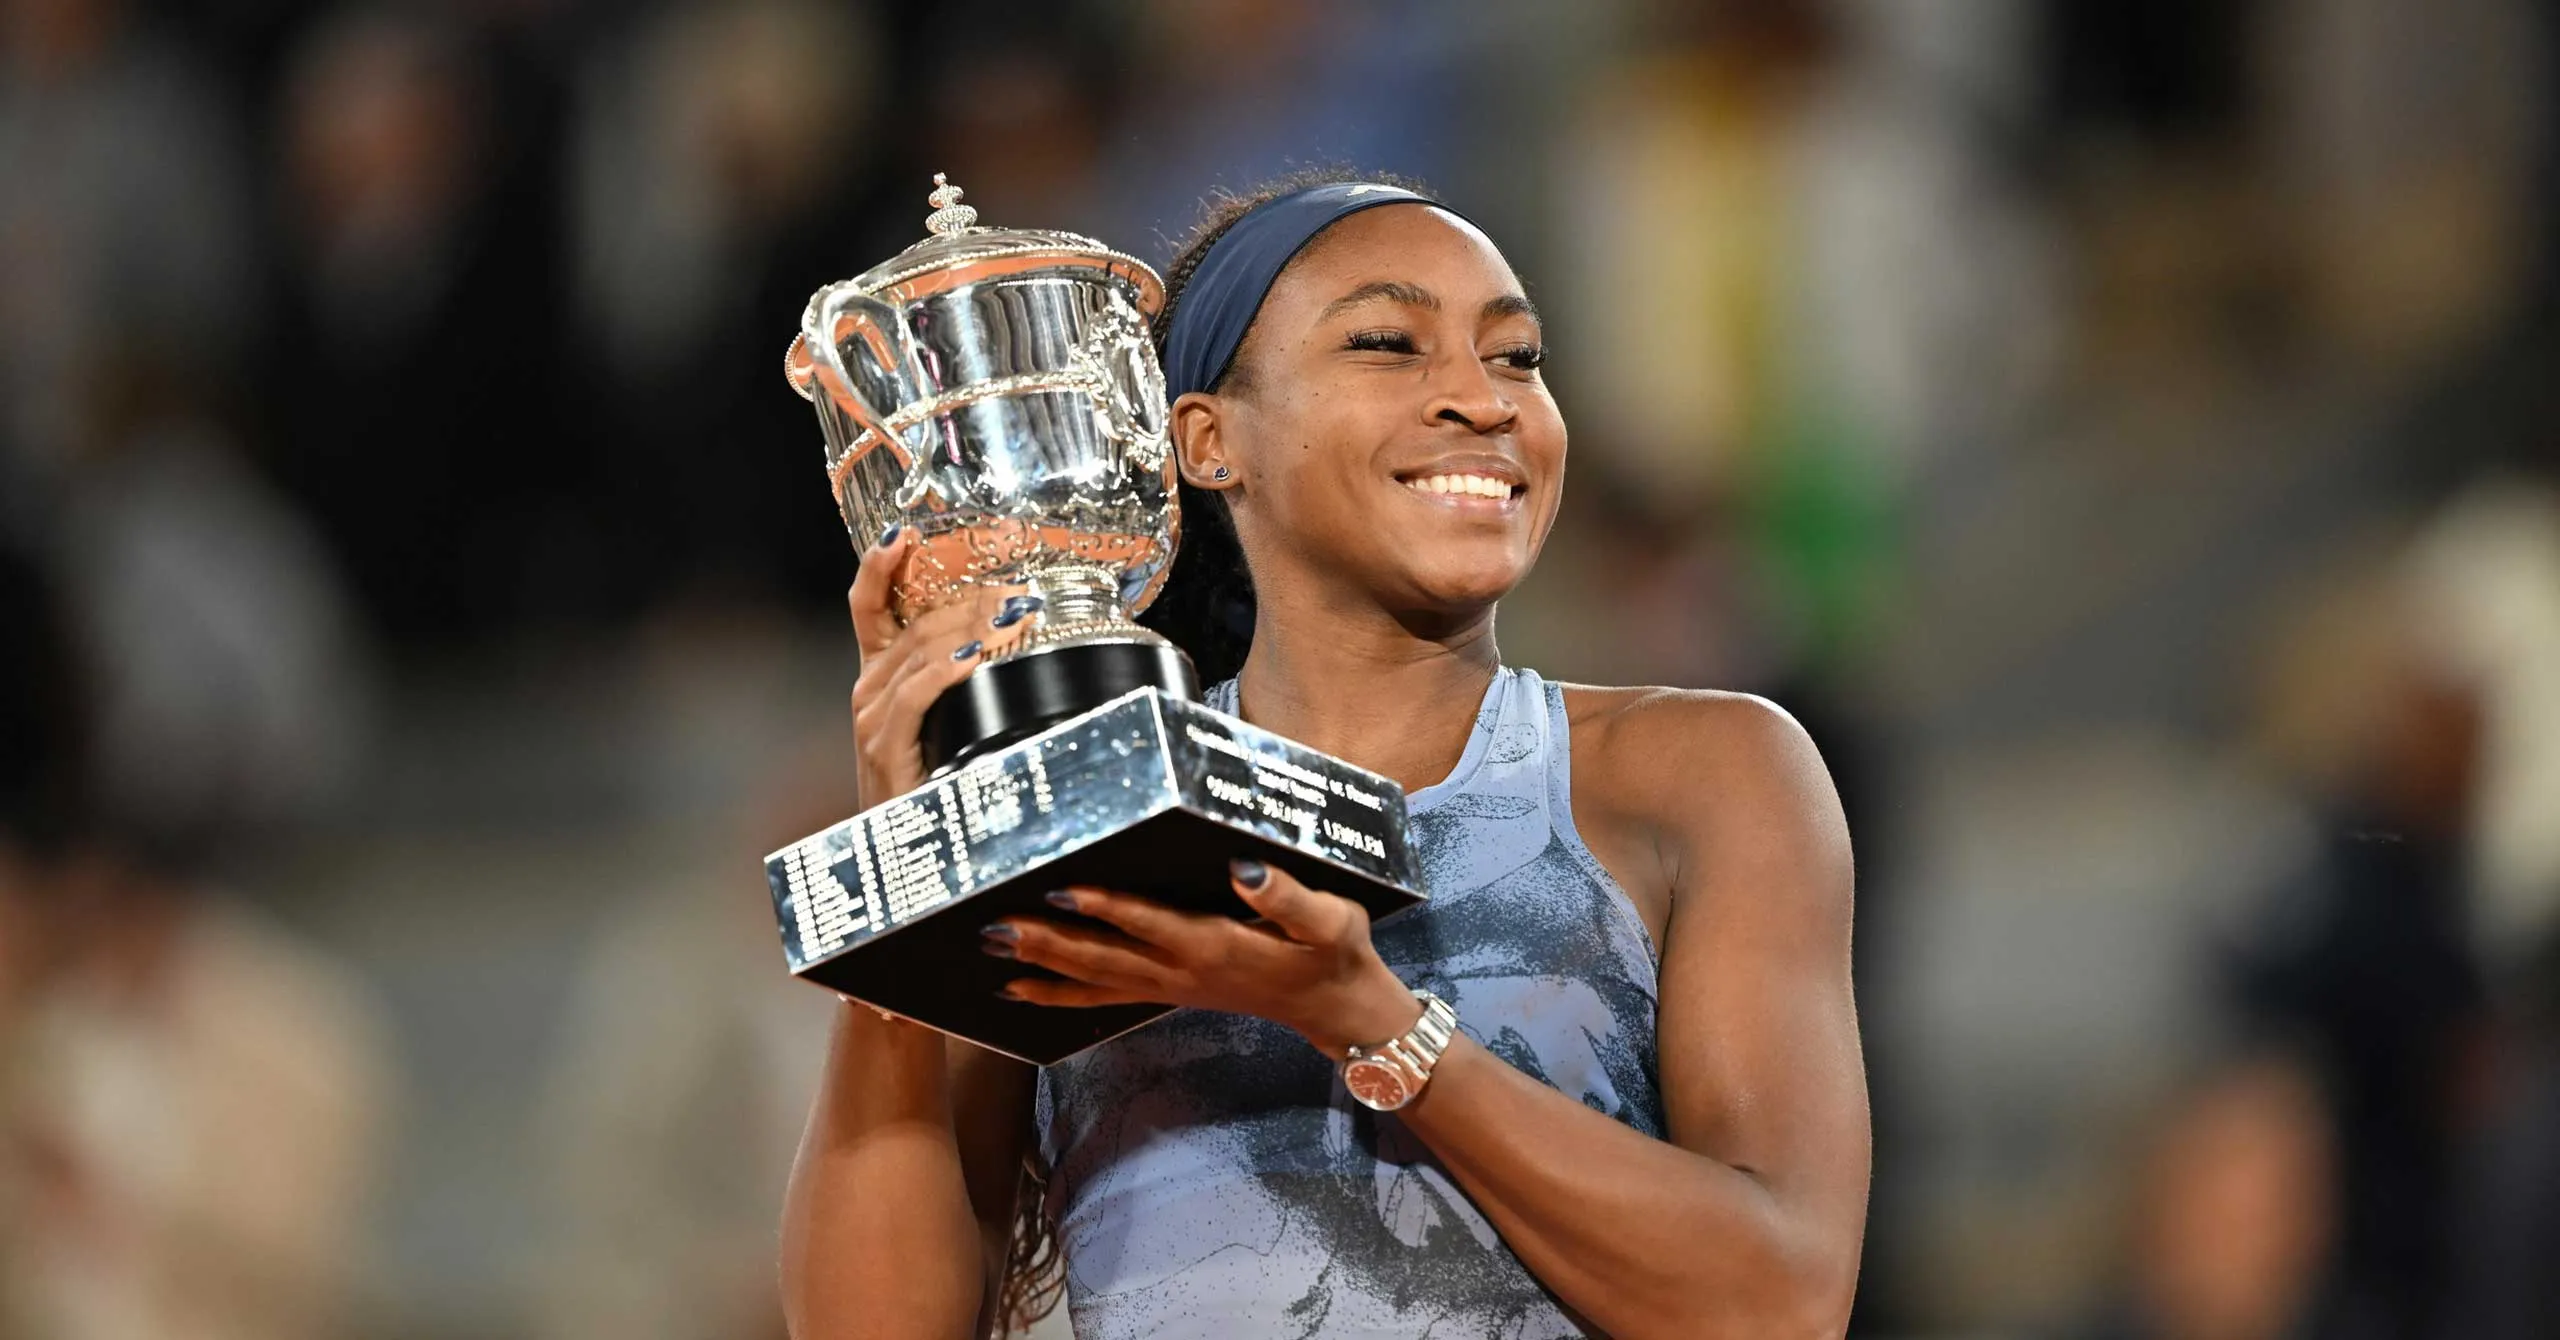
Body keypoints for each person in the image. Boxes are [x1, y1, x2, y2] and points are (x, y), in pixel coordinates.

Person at [779, 170, 1871, 1340]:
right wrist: (907, 889)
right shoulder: (1089, 805)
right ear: (1206, 441)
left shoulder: (1700, 771)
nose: (1480, 398)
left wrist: (1364, 1016)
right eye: (1388, 342)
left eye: (1516, 356)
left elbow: (1780, 1298)